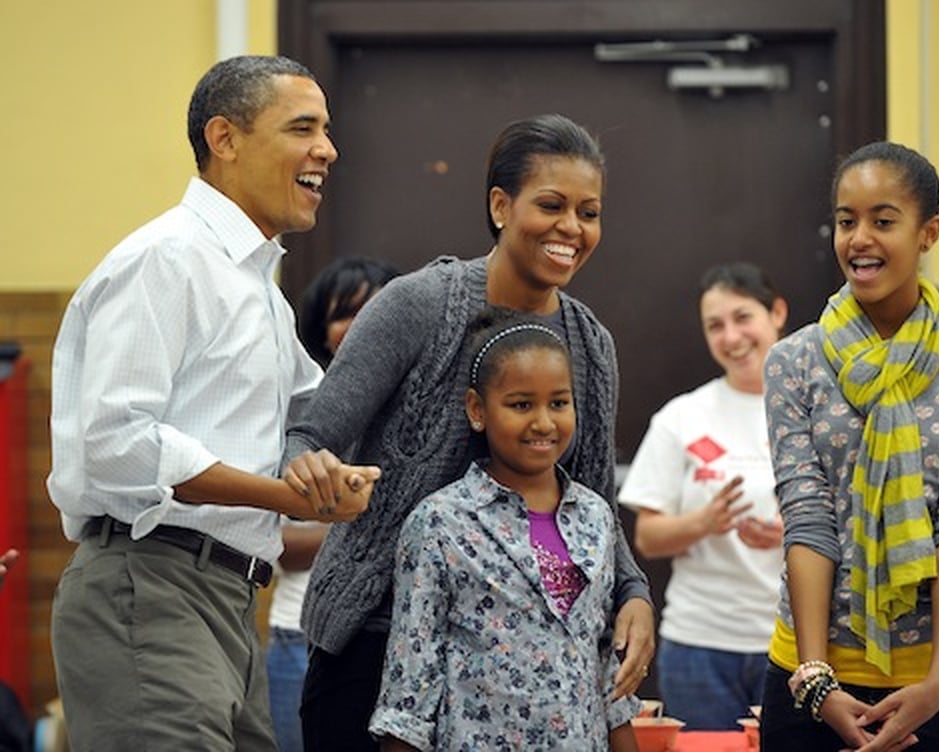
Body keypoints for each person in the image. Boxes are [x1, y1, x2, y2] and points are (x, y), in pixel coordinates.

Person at [282, 113, 655, 752]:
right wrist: (316, 471)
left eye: (588, 212)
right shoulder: (417, 304)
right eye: (552, 205)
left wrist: (633, 591)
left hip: (515, 671)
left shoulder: (591, 345)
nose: (572, 228)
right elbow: (308, 435)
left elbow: (589, 507)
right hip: (375, 646)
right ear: (500, 205)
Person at [47, 55, 378, 752]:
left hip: (226, 599)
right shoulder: (167, 259)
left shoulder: (255, 283)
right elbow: (118, 441)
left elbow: (317, 412)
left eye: (326, 129)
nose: (328, 149)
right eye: (303, 128)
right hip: (149, 584)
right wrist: (284, 497)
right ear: (225, 139)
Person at [759, 141, 939, 752]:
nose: (859, 239)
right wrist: (817, 681)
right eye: (847, 221)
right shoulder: (794, 362)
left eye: (883, 220)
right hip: (813, 670)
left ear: (929, 233)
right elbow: (808, 517)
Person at [369, 309, 641, 750]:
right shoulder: (440, 523)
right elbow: (410, 688)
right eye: (520, 404)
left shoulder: (595, 517)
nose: (544, 423)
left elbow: (608, 672)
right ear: (477, 410)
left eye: (559, 402)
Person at [618, 262, 787, 730]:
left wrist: (796, 533)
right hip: (699, 645)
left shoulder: (814, 411)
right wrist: (705, 521)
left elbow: (856, 528)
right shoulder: (683, 417)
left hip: (796, 643)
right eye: (716, 326)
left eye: (742, 317)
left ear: (777, 313)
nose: (731, 337)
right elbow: (648, 539)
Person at [268, 255, 400, 752]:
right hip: (298, 638)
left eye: (375, 310)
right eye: (343, 313)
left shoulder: (419, 414)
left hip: (394, 643)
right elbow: (280, 546)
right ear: (322, 331)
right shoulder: (304, 419)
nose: (360, 325)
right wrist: (370, 527)